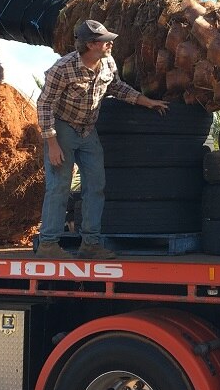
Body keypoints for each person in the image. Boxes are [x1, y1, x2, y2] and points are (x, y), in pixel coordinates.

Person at [35, 19, 168, 259]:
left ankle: (90, 244)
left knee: (95, 186)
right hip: (62, 129)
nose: (110, 45)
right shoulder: (63, 68)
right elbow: (45, 104)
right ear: (91, 45)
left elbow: (117, 88)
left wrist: (145, 101)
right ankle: (48, 244)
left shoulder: (107, 63)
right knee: (59, 187)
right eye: (105, 42)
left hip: (88, 131)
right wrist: (52, 143)